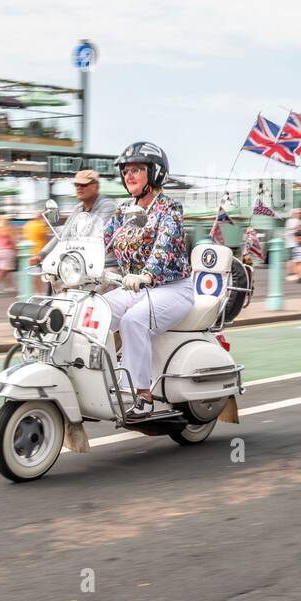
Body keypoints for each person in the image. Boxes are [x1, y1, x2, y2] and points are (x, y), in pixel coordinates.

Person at [102, 141, 194, 421]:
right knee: (96, 311)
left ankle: (142, 396)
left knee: (133, 321)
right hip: (133, 288)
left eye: (137, 169)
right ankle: (98, 378)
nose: (129, 175)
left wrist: (146, 275)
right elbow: (101, 240)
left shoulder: (170, 210)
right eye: (126, 170)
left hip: (171, 289)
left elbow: (164, 247)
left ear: (154, 174)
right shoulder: (123, 210)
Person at [33, 169, 118, 267]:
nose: (79, 188)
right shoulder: (78, 208)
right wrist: (41, 254)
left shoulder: (108, 206)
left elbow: (97, 234)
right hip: (81, 264)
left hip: (105, 265)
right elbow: (63, 234)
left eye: (84, 185)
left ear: (96, 187)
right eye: (76, 185)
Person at [21, 209, 51, 295]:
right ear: (41, 217)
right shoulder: (41, 225)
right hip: (39, 252)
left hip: (30, 251)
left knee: (34, 274)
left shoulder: (27, 225)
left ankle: (36, 291)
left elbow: (25, 236)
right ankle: (40, 291)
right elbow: (47, 237)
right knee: (41, 273)